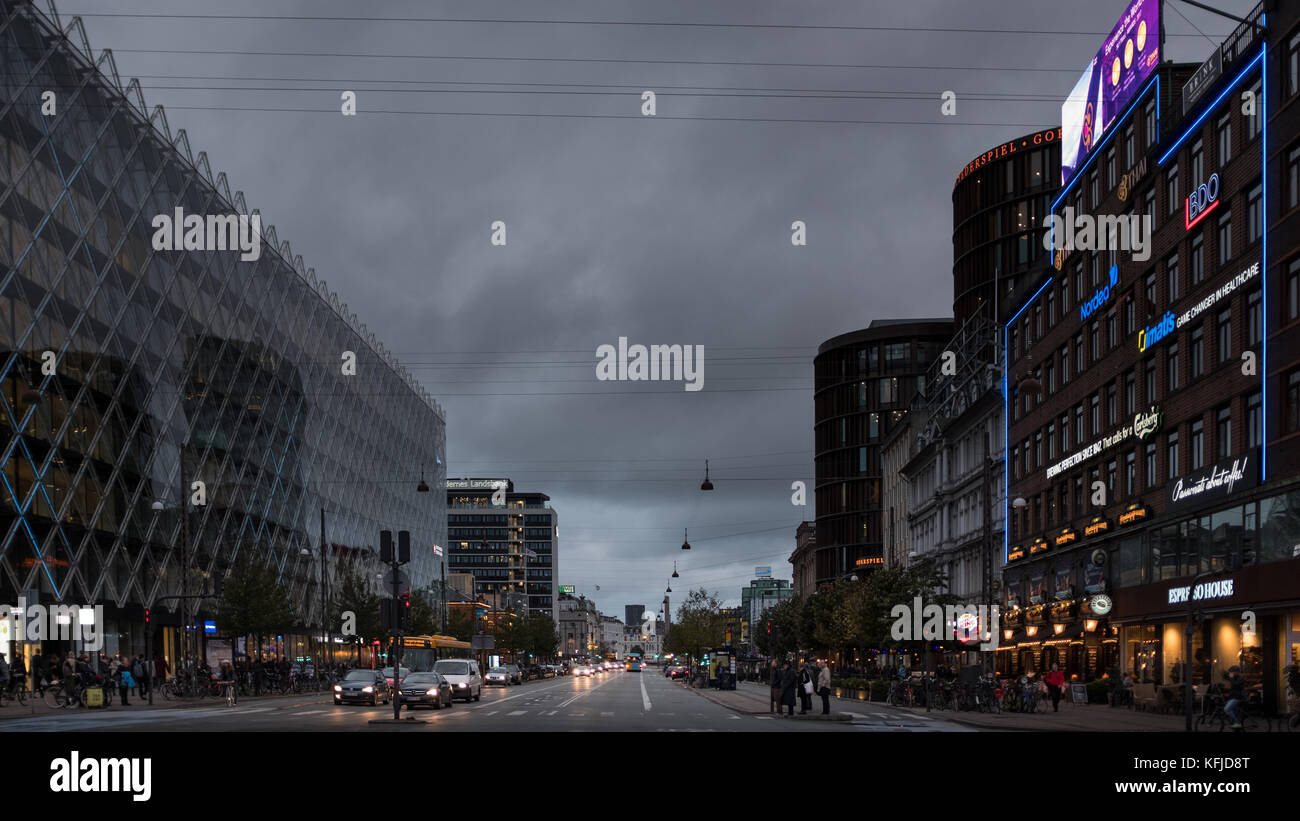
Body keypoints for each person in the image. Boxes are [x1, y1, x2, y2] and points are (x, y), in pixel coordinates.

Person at [1224, 665, 1246, 730]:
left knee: (1227, 709)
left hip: (1238, 697)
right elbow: (1233, 688)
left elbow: (1235, 685)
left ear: (1236, 672)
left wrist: (1231, 678)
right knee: (1234, 712)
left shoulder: (1240, 678)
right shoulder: (1235, 678)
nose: (1230, 673)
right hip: (1234, 697)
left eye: (1231, 672)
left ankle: (1237, 723)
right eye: (1230, 672)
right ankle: (1236, 725)